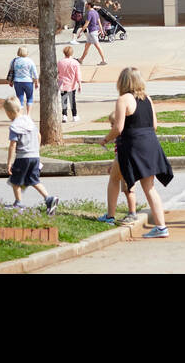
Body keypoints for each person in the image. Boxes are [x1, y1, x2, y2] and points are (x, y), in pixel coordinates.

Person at [99, 67, 172, 239]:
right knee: (148, 186)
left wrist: (105, 139)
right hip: (150, 143)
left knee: (115, 179)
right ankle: (161, 226)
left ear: (122, 82)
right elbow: (154, 125)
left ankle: (110, 216)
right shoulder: (148, 99)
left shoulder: (123, 99)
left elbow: (118, 128)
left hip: (132, 145)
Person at [4, 96, 58, 214]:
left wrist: (9, 163)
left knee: (15, 180)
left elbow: (13, 145)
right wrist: (35, 149)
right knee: (34, 180)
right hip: (35, 156)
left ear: (9, 113)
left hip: (23, 158)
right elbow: (38, 135)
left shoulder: (14, 126)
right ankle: (49, 199)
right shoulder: (29, 120)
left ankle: (18, 203)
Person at [7, 46, 39, 116]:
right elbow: (35, 73)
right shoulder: (30, 61)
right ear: (26, 52)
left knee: (20, 98)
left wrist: (10, 82)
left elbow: (11, 71)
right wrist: (36, 82)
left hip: (17, 82)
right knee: (29, 97)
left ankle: (20, 114)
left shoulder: (14, 61)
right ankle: (28, 114)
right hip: (28, 82)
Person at [58, 44, 82, 123]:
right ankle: (74, 115)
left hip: (62, 84)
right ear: (71, 53)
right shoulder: (75, 63)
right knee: (72, 100)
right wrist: (79, 84)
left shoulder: (60, 62)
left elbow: (57, 72)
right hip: (72, 84)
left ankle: (64, 115)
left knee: (64, 100)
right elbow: (77, 74)